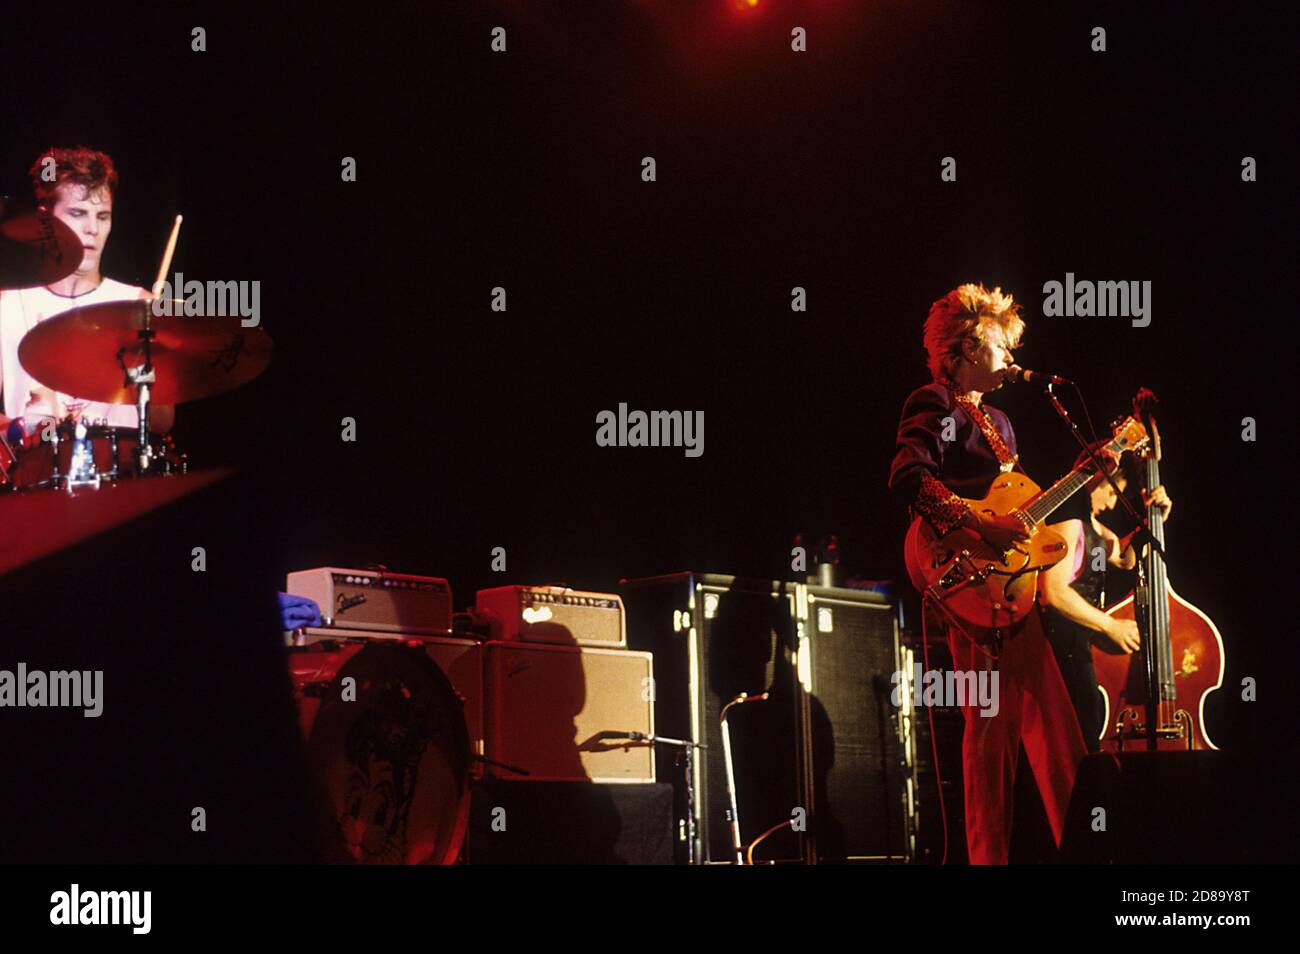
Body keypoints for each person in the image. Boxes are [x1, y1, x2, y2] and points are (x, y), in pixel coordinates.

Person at [889, 282, 1087, 865]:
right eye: (1003, 349)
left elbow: (1016, 503)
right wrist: (982, 526)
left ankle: (1089, 850)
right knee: (989, 736)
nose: (1011, 361)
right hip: (966, 584)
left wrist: (1083, 472)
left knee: (1057, 732)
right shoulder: (932, 402)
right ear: (970, 347)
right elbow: (909, 479)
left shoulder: (999, 417)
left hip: (1010, 588)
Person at [0, 145, 174, 441]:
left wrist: (143, 367)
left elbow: (161, 423)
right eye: (78, 213)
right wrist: (21, 427)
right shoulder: (8, 304)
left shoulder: (139, 305)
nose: (92, 228)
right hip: (36, 477)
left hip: (122, 479)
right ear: (45, 220)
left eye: (103, 216)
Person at [1039, 454, 1172, 750]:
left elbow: (1125, 558)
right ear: (1097, 477)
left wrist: (1154, 520)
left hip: (1080, 644)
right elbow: (1054, 592)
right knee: (1080, 740)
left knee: (1087, 735)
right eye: (1112, 492)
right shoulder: (1068, 521)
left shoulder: (1093, 528)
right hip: (1063, 644)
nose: (1113, 504)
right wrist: (1110, 626)